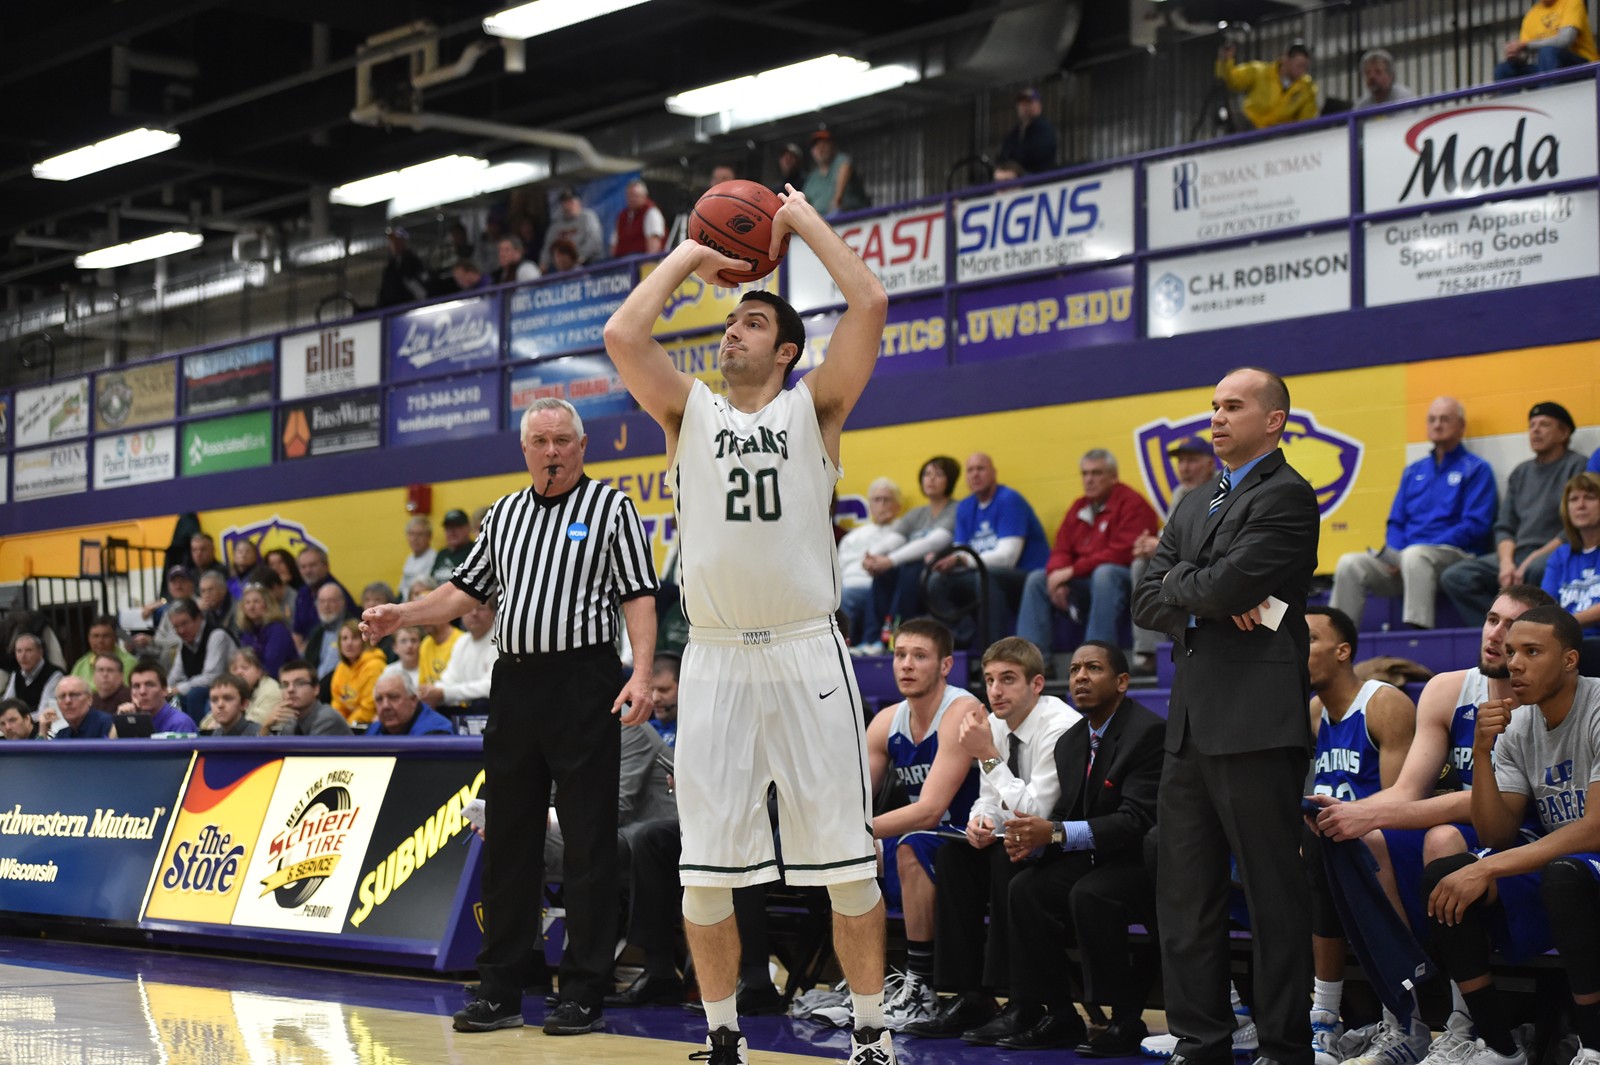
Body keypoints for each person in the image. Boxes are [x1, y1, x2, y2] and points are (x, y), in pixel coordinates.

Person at [603, 183, 894, 1065]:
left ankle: (872, 1032)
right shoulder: (688, 410)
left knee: (846, 861)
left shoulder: (819, 407)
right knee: (705, 867)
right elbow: (625, 334)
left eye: (752, 323)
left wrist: (799, 223)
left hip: (808, 652)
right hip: (717, 661)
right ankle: (723, 1033)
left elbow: (871, 301)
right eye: (728, 324)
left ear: (789, 349)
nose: (732, 331)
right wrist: (695, 250)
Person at [362, 397, 657, 1038]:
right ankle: (501, 985)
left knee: (586, 841)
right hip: (517, 683)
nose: (552, 450)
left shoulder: (613, 509)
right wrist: (400, 616)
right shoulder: (502, 515)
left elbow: (638, 594)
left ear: (583, 446)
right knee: (509, 838)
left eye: (563, 440)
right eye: (540, 440)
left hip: (586, 679)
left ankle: (583, 988)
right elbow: (461, 591)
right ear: (523, 450)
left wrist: (641, 671)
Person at [1132, 367, 1321, 1065]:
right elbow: (1143, 598)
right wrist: (1204, 595)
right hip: (1188, 723)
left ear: (1272, 420)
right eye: (1212, 405)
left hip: (1257, 720)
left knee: (1273, 898)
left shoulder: (1290, 495)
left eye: (1232, 406)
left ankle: (1282, 1045)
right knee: (1185, 898)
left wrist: (1198, 589)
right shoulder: (1197, 496)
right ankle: (1200, 1038)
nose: (1214, 417)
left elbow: (1227, 582)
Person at [1308, 587, 1556, 1065]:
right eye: (1490, 619)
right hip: (1452, 833)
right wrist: (1350, 814)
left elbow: (1495, 808)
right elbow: (1408, 791)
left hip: (1522, 836)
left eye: (1512, 627)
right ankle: (1403, 1018)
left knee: (1437, 837)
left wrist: (1369, 811)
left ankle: (1467, 1024)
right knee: (1362, 839)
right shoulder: (1447, 688)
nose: (1495, 635)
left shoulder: (1539, 701)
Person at [1420, 606, 1600, 1065]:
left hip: (1583, 860)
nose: (1514, 662)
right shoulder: (1519, 724)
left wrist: (1489, 868)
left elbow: (1596, 828)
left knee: (1559, 874)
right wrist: (1482, 752)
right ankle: (1499, 1045)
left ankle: (1594, 1045)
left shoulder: (1597, 708)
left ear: (1570, 660)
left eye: (1532, 651)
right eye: (1513, 651)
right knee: (1446, 876)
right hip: (1567, 864)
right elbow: (1497, 832)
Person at [899, 637, 1078, 1045]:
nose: (995, 691)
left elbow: (1038, 811)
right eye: (990, 679)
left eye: (1008, 680)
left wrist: (989, 756)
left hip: (1063, 843)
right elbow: (989, 799)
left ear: (1036, 685)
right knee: (954, 857)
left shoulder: (1061, 726)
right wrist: (980, 821)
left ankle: (1021, 1000)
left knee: (1005, 858)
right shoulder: (993, 724)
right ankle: (970, 995)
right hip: (1021, 841)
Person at [998, 642, 1165, 1054]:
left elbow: (1136, 821)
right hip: (1096, 856)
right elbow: (1071, 811)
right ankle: (1059, 1014)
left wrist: (1052, 833)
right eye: (1074, 670)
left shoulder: (1147, 733)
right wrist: (1032, 845)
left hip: (1147, 860)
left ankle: (1126, 1021)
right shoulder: (1072, 741)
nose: (1080, 678)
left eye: (1093, 668)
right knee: (1025, 889)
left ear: (1122, 682)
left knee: (1091, 894)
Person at [1301, 607, 1421, 1065]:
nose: (1297, 649)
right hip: (1336, 847)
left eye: (1309, 639)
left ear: (1343, 651)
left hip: (1388, 846)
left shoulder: (1382, 704)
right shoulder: (1315, 712)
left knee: (1330, 841)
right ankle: (1304, 1019)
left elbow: (1399, 806)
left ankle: (1379, 1021)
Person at [864, 617, 983, 1030]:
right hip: (929, 837)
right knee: (847, 856)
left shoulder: (962, 710)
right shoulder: (887, 720)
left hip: (971, 838)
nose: (906, 665)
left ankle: (921, 986)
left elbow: (931, 809)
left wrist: (855, 831)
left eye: (919, 656)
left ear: (946, 665)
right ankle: (863, 981)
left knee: (909, 840)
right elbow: (852, 797)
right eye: (899, 655)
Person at [1331, 397, 1497, 630]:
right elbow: (1396, 521)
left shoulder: (1477, 468)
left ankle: (1417, 635)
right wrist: (1394, 554)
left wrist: (1412, 552)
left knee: (1415, 556)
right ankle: (1337, 636)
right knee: (1350, 564)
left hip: (1454, 557)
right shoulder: (1414, 471)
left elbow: (1475, 525)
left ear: (1461, 426)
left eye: (1445, 419)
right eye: (1432, 419)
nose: (1437, 424)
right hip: (1408, 560)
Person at [1442, 402, 1587, 624]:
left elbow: (1573, 527)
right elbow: (1504, 526)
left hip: (1552, 552)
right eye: (1532, 425)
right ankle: (1501, 629)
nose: (1535, 430)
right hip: (1517, 554)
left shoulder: (1577, 466)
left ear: (1564, 433)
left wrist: (1531, 559)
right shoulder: (1521, 472)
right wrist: (1507, 562)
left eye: (1544, 425)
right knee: (1456, 576)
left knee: (1539, 569)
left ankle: (1532, 629)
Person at [1017, 449, 1159, 663]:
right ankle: (1032, 663)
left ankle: (1096, 659)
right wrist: (1057, 576)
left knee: (1105, 573)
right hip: (1084, 579)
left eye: (1097, 473)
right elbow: (1061, 549)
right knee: (1037, 579)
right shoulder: (1078, 507)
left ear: (1113, 476)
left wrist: (1072, 571)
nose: (1089, 480)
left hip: (1120, 580)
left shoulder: (1133, 504)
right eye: (1085, 474)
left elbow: (1122, 552)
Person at [926, 452, 1051, 647]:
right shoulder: (966, 506)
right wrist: (942, 560)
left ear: (994, 473)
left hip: (1024, 576)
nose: (975, 475)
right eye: (970, 470)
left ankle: (994, 651)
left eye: (981, 469)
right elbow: (961, 550)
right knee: (936, 580)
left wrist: (962, 560)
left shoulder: (1009, 499)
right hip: (983, 572)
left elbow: (1008, 557)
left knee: (986, 576)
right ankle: (962, 639)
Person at [1131, 436, 1216, 673]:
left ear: (1210, 463)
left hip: (1211, 560)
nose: (1185, 468)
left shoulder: (1221, 487)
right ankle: (1149, 652)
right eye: (1181, 462)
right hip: (1183, 560)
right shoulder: (1181, 493)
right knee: (1141, 564)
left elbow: (1207, 539)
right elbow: (1169, 534)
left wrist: (1157, 545)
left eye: (1192, 460)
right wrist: (1148, 544)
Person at [863, 456, 961, 626]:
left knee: (909, 568)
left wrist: (890, 561)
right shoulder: (916, 513)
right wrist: (873, 557)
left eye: (938, 474)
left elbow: (933, 543)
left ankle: (898, 630)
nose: (930, 479)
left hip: (938, 568)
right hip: (911, 569)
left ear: (950, 480)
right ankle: (872, 638)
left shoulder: (957, 509)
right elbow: (894, 539)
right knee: (882, 574)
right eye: (927, 474)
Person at [839, 479, 906, 651]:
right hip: (848, 585)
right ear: (870, 506)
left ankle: (859, 644)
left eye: (887, 500)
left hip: (879, 585)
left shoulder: (903, 530)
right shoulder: (853, 536)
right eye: (876, 500)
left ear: (898, 505)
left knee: (852, 594)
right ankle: (843, 647)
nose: (881, 505)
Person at [1544, 471, 1600, 638]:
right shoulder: (1560, 555)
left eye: (1589, 498)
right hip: (1566, 643)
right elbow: (1546, 608)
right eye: (1574, 499)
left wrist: (1564, 623)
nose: (1580, 505)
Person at [1216, 40, 1320, 129]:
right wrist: (1226, 61)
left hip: (1278, 134)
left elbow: (1306, 120)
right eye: (1299, 65)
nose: (1302, 71)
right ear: (1285, 60)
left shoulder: (1307, 87)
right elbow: (1233, 80)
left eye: (1305, 67)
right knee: (1234, 116)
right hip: (1250, 125)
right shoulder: (1260, 71)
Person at [419, 598, 498, 713]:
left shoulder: (501, 642)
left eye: (481, 608)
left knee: (481, 703)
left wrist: (445, 693)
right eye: (469, 609)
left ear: (493, 613)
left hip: (492, 711)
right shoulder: (462, 642)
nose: (474, 613)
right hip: (464, 709)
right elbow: (449, 679)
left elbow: (491, 686)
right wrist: (431, 691)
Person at [165, 599, 238, 723]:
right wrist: (165, 690)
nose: (181, 631)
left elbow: (211, 677)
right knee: (171, 698)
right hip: (204, 690)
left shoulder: (217, 636)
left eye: (185, 623)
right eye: (176, 627)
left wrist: (178, 689)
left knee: (195, 694)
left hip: (228, 688)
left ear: (199, 618)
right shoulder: (185, 644)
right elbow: (175, 677)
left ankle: (199, 738)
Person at [1494, 0, 1598, 80]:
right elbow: (1526, 54)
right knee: (1504, 69)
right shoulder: (1531, 15)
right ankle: (1511, 107)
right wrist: (1515, 54)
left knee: (1548, 51)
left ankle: (1549, 98)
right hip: (1547, 68)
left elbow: (1565, 40)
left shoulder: (1572, 2)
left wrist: (1525, 45)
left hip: (1584, 67)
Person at [261, 658, 352, 737]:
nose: (290, 690)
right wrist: (266, 727)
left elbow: (306, 756)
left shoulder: (327, 719)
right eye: (285, 685)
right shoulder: (290, 720)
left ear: (316, 689)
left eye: (299, 683)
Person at [291, 546, 357, 650]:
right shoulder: (302, 592)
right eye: (303, 567)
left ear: (326, 566)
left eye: (312, 565)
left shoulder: (336, 592)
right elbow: (297, 632)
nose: (308, 571)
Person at [116, 660, 198, 736]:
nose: (142, 691)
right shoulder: (130, 720)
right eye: (136, 686)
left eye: (149, 685)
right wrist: (120, 721)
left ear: (164, 690)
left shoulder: (180, 723)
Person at [331, 620, 386, 728]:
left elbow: (368, 707)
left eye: (354, 638)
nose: (349, 643)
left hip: (370, 724)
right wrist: (337, 724)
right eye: (344, 638)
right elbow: (337, 702)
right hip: (348, 725)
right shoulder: (341, 667)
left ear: (364, 641)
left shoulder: (374, 666)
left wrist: (346, 727)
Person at [802, 130, 869, 217]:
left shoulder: (841, 161)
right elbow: (804, 201)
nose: (820, 148)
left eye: (824, 143)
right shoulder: (812, 178)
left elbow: (845, 168)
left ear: (833, 146)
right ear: (812, 152)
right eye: (816, 146)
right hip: (822, 223)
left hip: (852, 218)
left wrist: (836, 203)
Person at [366, 671, 455, 736]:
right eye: (379, 699)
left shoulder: (436, 733)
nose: (385, 706)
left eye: (393, 697)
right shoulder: (374, 730)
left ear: (413, 700)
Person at [234, 582, 293, 677]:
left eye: (256, 602)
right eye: (247, 602)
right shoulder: (247, 633)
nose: (251, 607)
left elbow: (273, 667)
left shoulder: (277, 631)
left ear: (267, 604)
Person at [540, 187, 605, 270]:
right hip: (563, 268)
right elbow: (547, 248)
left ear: (578, 203)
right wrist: (543, 263)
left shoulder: (588, 217)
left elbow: (594, 240)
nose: (567, 206)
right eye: (564, 203)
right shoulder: (556, 226)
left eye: (570, 202)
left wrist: (578, 257)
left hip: (588, 263)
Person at [998, 88, 1058, 176]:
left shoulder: (1045, 129)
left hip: (1038, 179)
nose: (1025, 107)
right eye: (1022, 104)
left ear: (1038, 105)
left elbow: (1040, 156)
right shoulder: (1013, 133)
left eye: (1029, 102)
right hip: (1016, 179)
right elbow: (1003, 156)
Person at [3, 632, 62, 717]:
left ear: (40, 652)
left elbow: (45, 712)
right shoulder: (16, 674)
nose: (23, 656)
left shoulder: (54, 675)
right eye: (19, 651)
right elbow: (7, 704)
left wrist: (19, 721)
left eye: (28, 650)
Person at [40, 675, 114, 739]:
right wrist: (43, 731)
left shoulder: (108, 725)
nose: (68, 701)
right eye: (62, 696)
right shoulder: (62, 735)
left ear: (89, 699)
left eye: (74, 695)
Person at [68, 616, 135, 682]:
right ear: (89, 639)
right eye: (96, 636)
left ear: (115, 638)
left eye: (105, 636)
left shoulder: (129, 663)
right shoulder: (80, 665)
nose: (100, 641)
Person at [612, 179, 666, 258]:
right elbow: (614, 245)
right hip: (622, 264)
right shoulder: (622, 215)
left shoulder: (651, 212)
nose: (632, 199)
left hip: (640, 263)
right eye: (629, 196)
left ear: (644, 196)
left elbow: (654, 247)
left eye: (635, 196)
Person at [228, 648, 282, 728]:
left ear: (259, 671)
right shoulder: (232, 690)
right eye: (234, 669)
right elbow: (205, 724)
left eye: (245, 667)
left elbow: (253, 726)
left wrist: (222, 725)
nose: (239, 672)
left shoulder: (271, 691)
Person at [377, 225, 429, 307]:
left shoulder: (414, 262)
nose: (394, 244)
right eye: (392, 241)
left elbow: (421, 287)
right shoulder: (390, 268)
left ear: (404, 242)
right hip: (392, 312)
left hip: (411, 308)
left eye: (397, 241)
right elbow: (384, 292)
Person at [432, 509, 475, 582]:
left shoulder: (475, 552)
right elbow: (431, 580)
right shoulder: (442, 554)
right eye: (448, 528)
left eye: (457, 526)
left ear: (468, 528)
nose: (452, 532)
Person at [398, 516, 437, 596]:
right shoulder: (409, 559)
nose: (415, 538)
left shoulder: (434, 558)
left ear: (429, 537)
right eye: (411, 534)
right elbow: (402, 589)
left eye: (420, 534)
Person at [648, 652, 679, 746]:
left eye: (664, 690)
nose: (655, 698)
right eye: (651, 690)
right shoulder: (644, 731)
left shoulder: (695, 733)